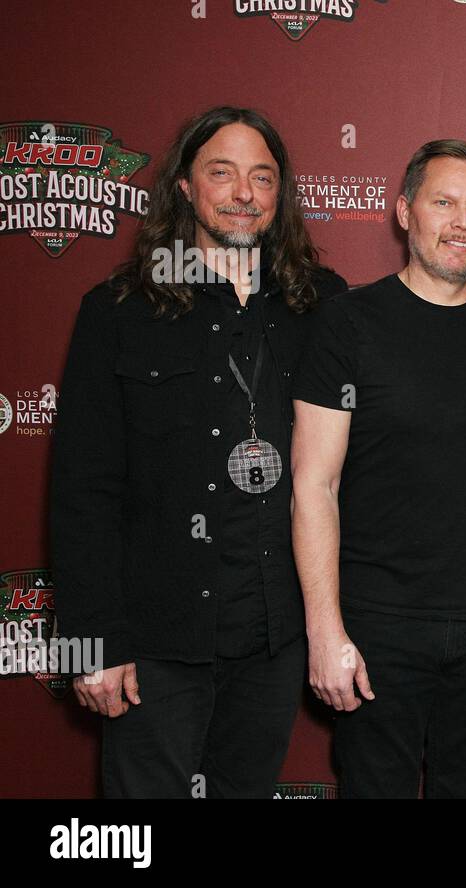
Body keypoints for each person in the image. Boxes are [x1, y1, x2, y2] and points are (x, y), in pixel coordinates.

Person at [51, 106, 347, 798]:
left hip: (274, 636)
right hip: (156, 639)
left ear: (281, 195)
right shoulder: (118, 309)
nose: (244, 192)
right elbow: (81, 490)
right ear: (185, 186)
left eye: (262, 177)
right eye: (223, 172)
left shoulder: (322, 306)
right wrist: (88, 647)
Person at [291, 140, 466, 798]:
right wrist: (325, 633)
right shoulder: (348, 323)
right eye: (444, 203)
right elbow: (312, 486)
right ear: (405, 212)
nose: (463, 222)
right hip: (378, 623)